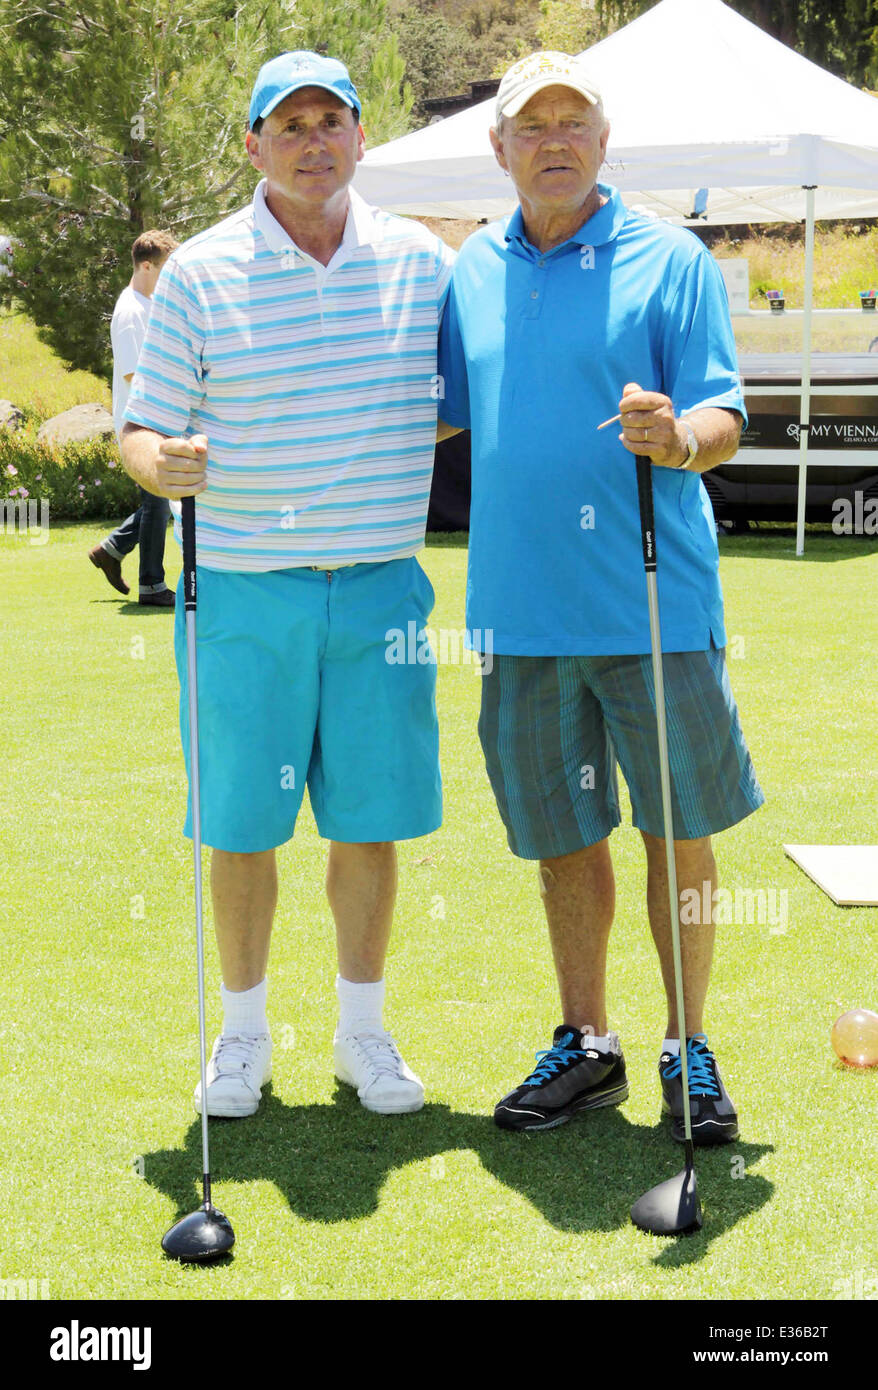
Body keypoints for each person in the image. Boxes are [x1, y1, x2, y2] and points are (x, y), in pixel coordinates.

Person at [121, 51, 455, 1119]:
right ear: (255, 146)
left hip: (376, 585)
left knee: (369, 820)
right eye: (290, 125)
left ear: (360, 137)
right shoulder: (201, 271)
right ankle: (244, 1037)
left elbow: (450, 403)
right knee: (240, 826)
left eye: (332, 121)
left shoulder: (422, 260)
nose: (314, 141)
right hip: (244, 589)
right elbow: (140, 426)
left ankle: (363, 1035)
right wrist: (154, 464)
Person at [437, 52, 764, 1144]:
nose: (554, 141)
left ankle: (686, 1045)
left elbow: (721, 412)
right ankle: (586, 1043)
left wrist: (676, 439)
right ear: (498, 148)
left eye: (573, 122)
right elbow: (429, 412)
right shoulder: (468, 271)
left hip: (648, 607)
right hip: (519, 617)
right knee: (560, 838)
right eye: (532, 127)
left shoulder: (669, 260)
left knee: (677, 832)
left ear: (603, 140)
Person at [89, 230, 179, 605]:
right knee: (158, 500)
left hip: (154, 418)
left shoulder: (150, 304)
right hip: (138, 422)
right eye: (165, 269)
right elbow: (133, 374)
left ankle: (111, 552)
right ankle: (151, 585)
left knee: (158, 502)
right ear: (145, 266)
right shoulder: (130, 313)